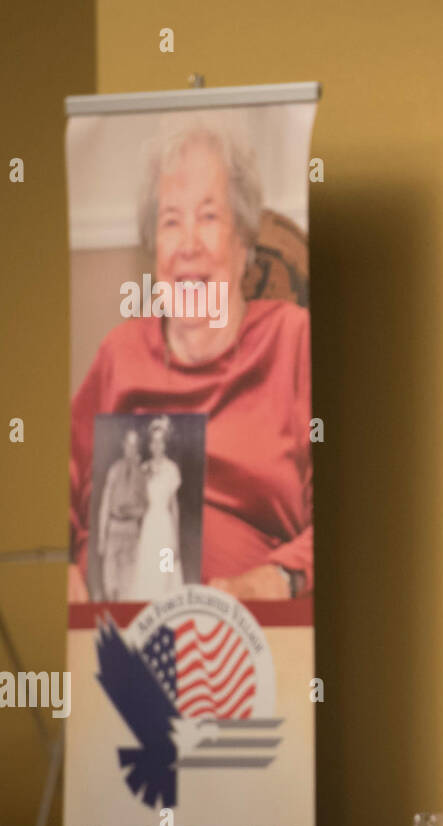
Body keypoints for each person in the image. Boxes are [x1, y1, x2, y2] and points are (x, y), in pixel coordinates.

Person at [68, 117, 313, 603]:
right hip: (118, 646)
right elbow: (52, 507)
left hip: (253, 648)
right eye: (171, 221)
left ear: (243, 242)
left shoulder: (291, 342)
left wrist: (278, 579)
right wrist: (65, 578)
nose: (188, 245)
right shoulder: (120, 356)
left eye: (208, 217)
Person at [132, 417, 183, 599]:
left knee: (166, 570)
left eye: (160, 442)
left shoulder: (172, 470)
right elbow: (138, 503)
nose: (157, 446)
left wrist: (175, 541)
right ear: (150, 445)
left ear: (165, 444)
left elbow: (173, 507)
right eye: (154, 441)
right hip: (148, 528)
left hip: (165, 528)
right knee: (147, 571)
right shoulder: (143, 469)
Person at [97, 428, 148, 600]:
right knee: (110, 585)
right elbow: (105, 504)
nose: (131, 449)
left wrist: (131, 511)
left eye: (134, 446)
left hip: (131, 531)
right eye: (128, 444)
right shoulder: (114, 470)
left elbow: (144, 508)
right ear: (123, 446)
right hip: (114, 529)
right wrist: (101, 538)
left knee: (127, 586)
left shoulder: (142, 475)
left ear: (137, 448)